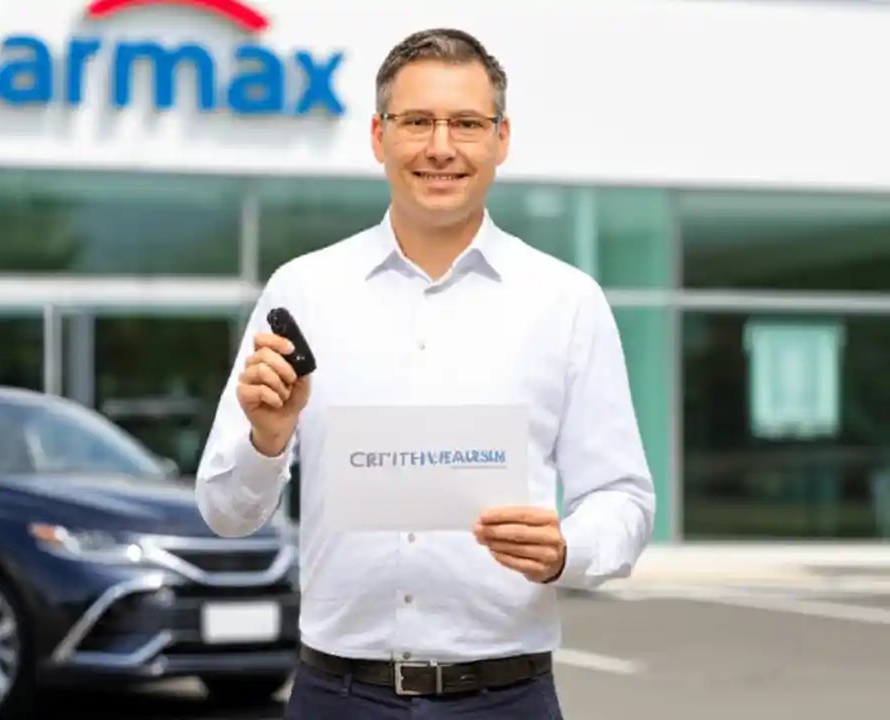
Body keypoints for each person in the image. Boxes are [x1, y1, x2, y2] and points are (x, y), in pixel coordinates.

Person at [194, 27, 656, 719]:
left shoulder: (565, 302)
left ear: (501, 139)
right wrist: (267, 440)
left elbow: (624, 498)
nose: (441, 146)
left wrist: (569, 547)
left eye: (466, 123)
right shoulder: (304, 292)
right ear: (379, 137)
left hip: (506, 698)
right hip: (336, 696)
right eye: (417, 122)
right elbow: (226, 514)